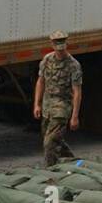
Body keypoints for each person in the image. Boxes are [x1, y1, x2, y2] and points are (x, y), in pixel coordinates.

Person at [33, 30, 82, 167]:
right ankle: (75, 163)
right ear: (52, 45)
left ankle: (51, 171)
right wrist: (37, 104)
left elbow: (77, 91)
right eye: (57, 48)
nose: (60, 51)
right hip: (47, 107)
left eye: (62, 48)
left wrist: (74, 116)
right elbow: (40, 82)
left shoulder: (74, 65)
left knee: (49, 143)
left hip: (62, 108)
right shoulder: (47, 60)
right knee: (54, 140)